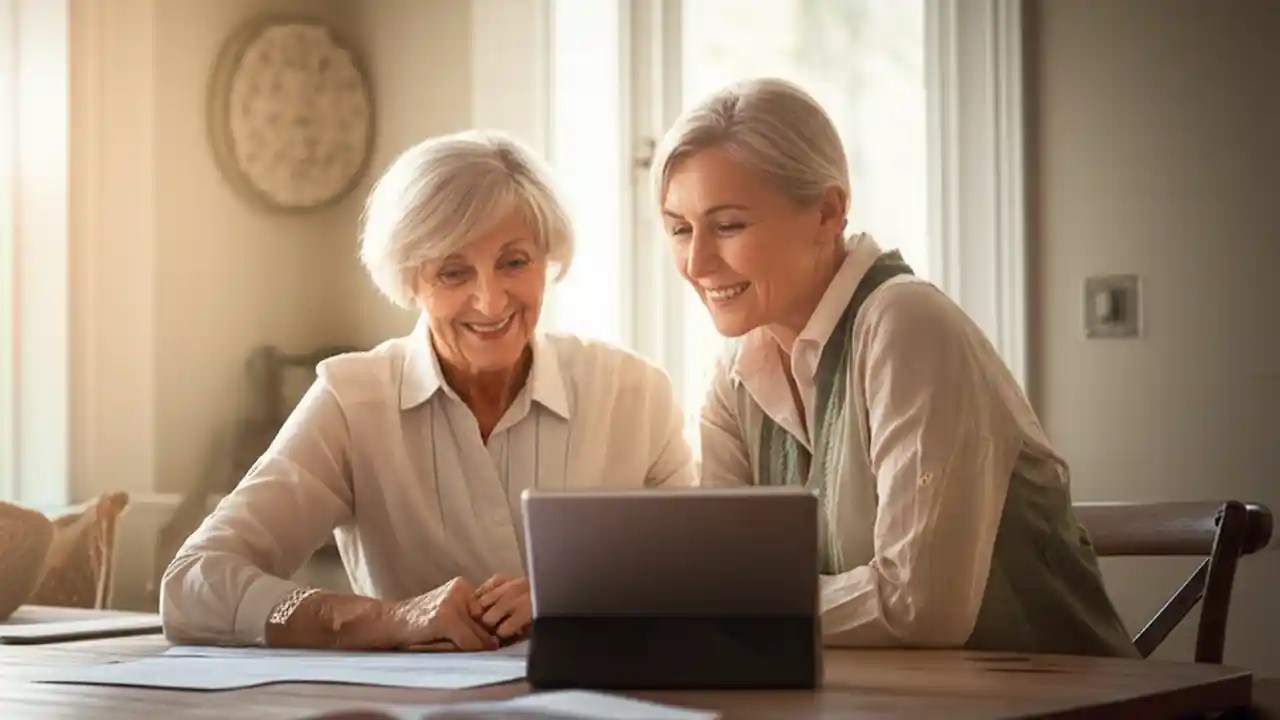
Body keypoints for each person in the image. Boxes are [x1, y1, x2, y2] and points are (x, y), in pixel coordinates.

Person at [652, 78, 1135, 656]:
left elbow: (919, 608)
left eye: (728, 225)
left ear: (828, 212)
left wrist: (732, 610)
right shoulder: (734, 373)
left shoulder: (905, 323)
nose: (697, 261)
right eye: (680, 229)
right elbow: (715, 582)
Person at [162, 130, 695, 651]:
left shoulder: (634, 394)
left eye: (514, 262)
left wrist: (578, 599)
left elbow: (702, 582)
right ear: (409, 281)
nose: (489, 301)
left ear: (546, 260)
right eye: (452, 272)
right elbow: (193, 584)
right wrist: (386, 618)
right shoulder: (352, 401)